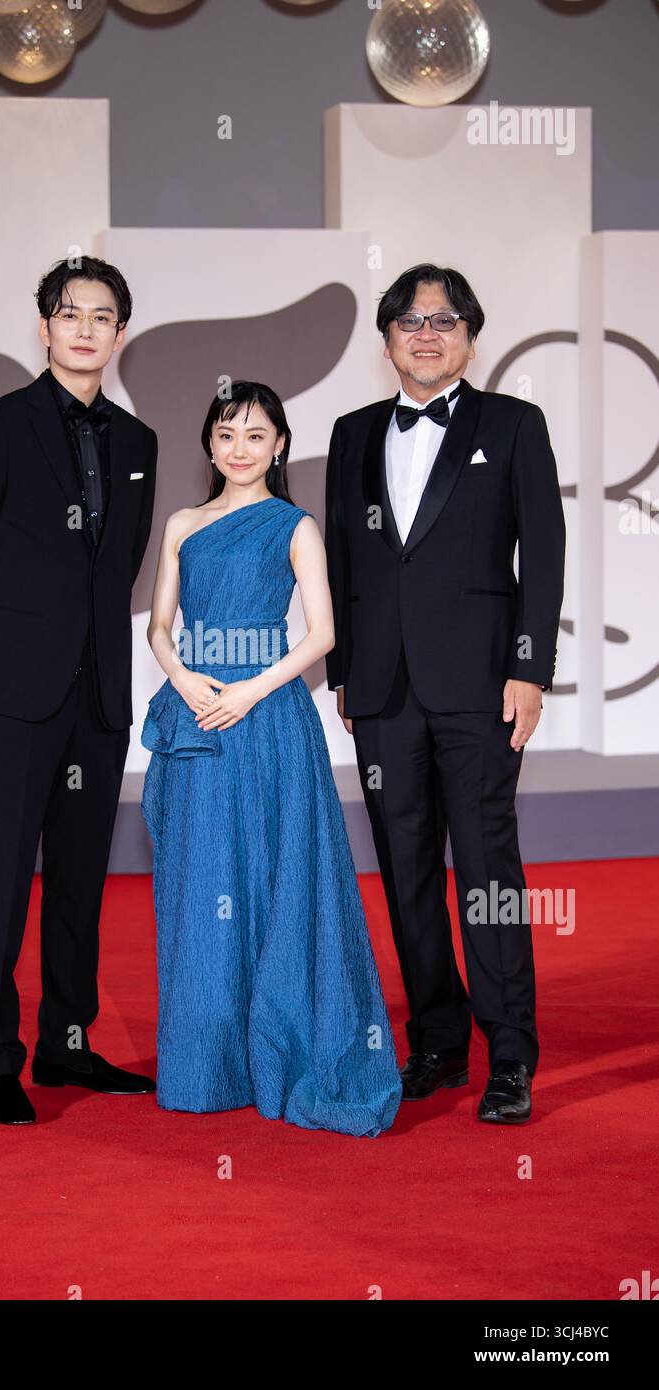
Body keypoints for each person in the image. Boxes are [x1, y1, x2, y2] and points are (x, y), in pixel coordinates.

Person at [325, 263, 566, 1124]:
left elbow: (543, 551)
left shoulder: (514, 425)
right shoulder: (353, 434)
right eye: (410, 322)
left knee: (488, 872)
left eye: (445, 321)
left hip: (480, 689)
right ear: (386, 339)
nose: (427, 334)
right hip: (383, 694)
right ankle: (435, 1035)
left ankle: (510, 1054)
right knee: (405, 870)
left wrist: (531, 669)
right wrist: (346, 674)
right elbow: (348, 566)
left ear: (470, 337)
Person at [140, 381, 402, 1138]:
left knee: (283, 877)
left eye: (257, 436)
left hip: (269, 715)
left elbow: (320, 635)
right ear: (209, 443)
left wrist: (249, 692)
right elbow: (160, 625)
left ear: (280, 445)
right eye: (227, 434)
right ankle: (207, 1067)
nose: (241, 449)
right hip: (197, 714)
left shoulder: (296, 525)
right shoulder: (183, 524)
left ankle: (285, 1049)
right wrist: (187, 680)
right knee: (200, 883)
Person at [0, 255, 158, 1124]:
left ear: (120, 332)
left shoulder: (138, 444)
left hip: (97, 696)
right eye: (71, 313)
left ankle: (67, 1043)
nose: (86, 329)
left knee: (79, 883)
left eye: (104, 316)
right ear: (44, 325)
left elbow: (119, 570)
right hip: (10, 697)